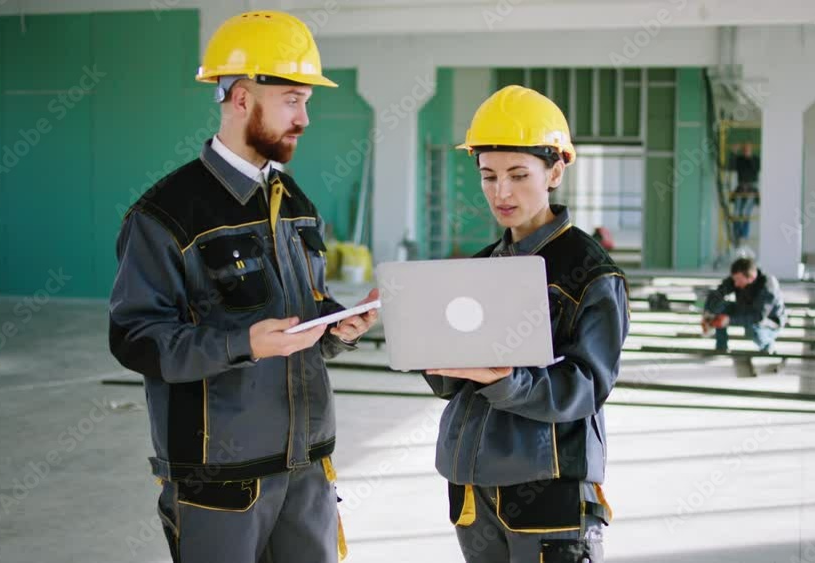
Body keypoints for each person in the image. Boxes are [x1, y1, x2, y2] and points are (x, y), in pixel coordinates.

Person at [108, 11, 377, 563]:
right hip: (220, 480)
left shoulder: (295, 203)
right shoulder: (166, 215)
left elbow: (305, 315)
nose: (304, 118)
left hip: (306, 466)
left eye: (307, 101)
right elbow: (135, 338)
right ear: (241, 98)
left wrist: (338, 326)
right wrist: (243, 344)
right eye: (292, 101)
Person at [423, 85, 630, 563]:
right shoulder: (479, 267)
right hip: (472, 489)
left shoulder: (590, 273)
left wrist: (507, 381)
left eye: (518, 175)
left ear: (555, 171)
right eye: (489, 176)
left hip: (547, 491)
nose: (502, 192)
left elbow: (587, 386)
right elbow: (450, 384)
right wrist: (429, 347)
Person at [702, 257, 786, 353]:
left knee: (751, 328)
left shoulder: (768, 286)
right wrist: (708, 313)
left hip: (769, 320)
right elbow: (716, 294)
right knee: (720, 307)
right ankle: (721, 348)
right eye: (734, 280)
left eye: (738, 280)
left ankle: (767, 344)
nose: (735, 284)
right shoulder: (738, 277)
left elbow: (758, 316)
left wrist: (729, 320)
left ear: (751, 278)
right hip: (746, 309)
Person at [729, 142, 760, 243]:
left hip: (751, 188)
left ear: (751, 149)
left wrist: (749, 158)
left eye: (748, 148)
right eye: (744, 149)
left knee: (745, 212)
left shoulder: (755, 159)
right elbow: (731, 166)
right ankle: (736, 234)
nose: (746, 150)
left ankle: (743, 235)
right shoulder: (739, 159)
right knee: (736, 212)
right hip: (740, 188)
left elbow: (755, 169)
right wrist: (733, 153)